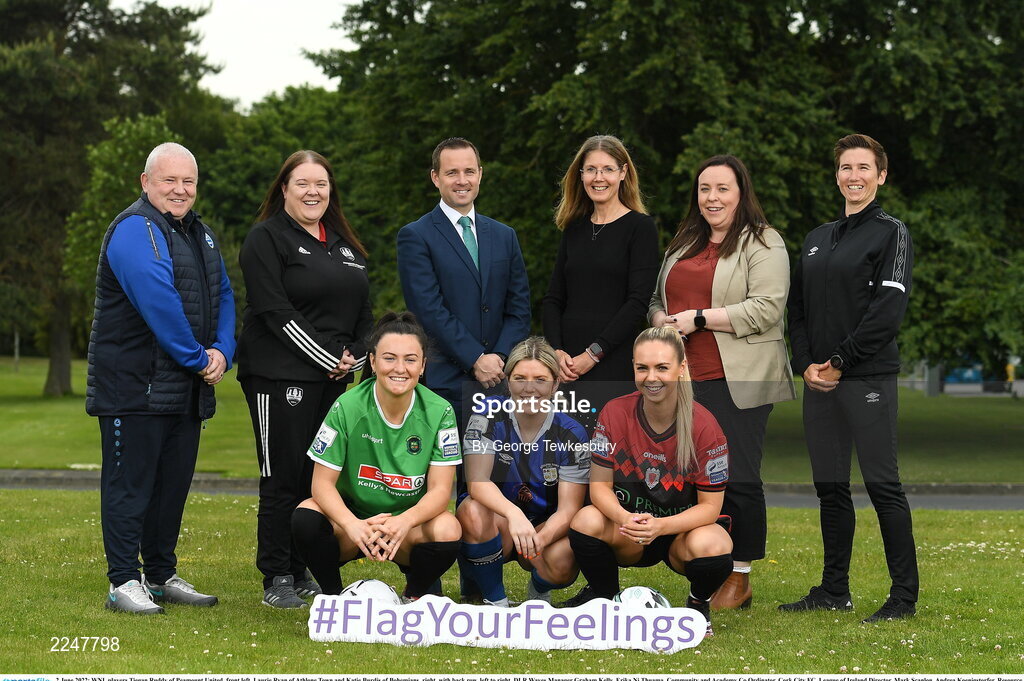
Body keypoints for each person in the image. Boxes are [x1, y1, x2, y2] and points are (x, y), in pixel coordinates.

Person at [86, 142, 236, 614]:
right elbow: (158, 301)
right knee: (131, 487)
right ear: (145, 182)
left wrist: (223, 353)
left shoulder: (201, 235)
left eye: (188, 181)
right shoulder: (135, 229)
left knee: (172, 487)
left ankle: (159, 574)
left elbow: (226, 295)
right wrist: (198, 358)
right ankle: (123, 581)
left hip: (182, 391)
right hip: (134, 388)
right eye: (168, 180)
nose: (179, 189)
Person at [782, 133, 918, 623]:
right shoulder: (816, 238)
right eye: (845, 167)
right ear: (836, 174)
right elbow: (795, 311)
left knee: (883, 486)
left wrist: (839, 362)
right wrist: (806, 365)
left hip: (868, 379)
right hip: (819, 383)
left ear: (880, 176)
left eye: (864, 167)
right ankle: (833, 589)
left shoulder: (892, 233)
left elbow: (887, 313)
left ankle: (903, 597)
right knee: (830, 487)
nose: (854, 176)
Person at [648, 155, 794, 610]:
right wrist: (661, 322)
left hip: (737, 380)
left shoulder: (763, 242)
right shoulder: (683, 242)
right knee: (693, 479)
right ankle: (706, 564)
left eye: (722, 189)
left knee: (739, 478)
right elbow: (657, 298)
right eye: (704, 189)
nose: (712, 198)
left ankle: (741, 576)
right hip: (683, 382)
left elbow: (767, 307)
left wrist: (696, 319)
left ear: (741, 192)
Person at [237, 150, 373, 609]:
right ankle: (276, 575)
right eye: (303, 183)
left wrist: (354, 359)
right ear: (284, 189)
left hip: (334, 378)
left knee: (317, 478)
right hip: (280, 377)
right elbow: (275, 311)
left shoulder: (345, 246)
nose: (313, 191)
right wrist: (328, 357)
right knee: (282, 476)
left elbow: (365, 317)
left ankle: (301, 571)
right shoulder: (266, 238)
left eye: (321, 184)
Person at [563, 327, 733, 635]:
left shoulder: (705, 426)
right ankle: (605, 600)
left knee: (716, 543)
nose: (651, 377)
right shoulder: (615, 412)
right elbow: (599, 488)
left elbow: (710, 509)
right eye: (642, 368)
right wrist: (626, 519)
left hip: (681, 534)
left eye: (662, 367)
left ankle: (697, 605)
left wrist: (661, 527)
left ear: (681, 369)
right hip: (628, 529)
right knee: (586, 519)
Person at [290, 312, 463, 600]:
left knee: (448, 527)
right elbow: (321, 485)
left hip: (406, 525)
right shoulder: (346, 406)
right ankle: (333, 598)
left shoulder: (440, 411)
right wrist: (352, 524)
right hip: (354, 523)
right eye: (389, 358)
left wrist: (404, 521)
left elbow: (441, 492)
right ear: (372, 361)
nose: (400, 368)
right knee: (306, 515)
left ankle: (414, 597)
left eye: (410, 359)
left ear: (422, 366)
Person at [397, 137, 531, 425]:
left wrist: (499, 358)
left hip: (502, 383)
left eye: (469, 171)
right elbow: (428, 310)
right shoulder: (416, 236)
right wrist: (475, 358)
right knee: (449, 471)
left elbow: (519, 307)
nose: (462, 180)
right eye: (452, 172)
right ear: (435, 178)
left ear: (480, 174)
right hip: (446, 384)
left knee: (500, 470)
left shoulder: (504, 235)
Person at [458, 337, 590, 606]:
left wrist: (537, 540)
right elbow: (477, 482)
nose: (529, 388)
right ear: (507, 380)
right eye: (520, 378)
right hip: (500, 520)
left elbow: (568, 509)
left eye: (540, 379)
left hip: (544, 524)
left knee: (564, 557)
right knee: (473, 509)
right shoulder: (487, 413)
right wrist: (513, 513)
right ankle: (496, 601)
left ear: (555, 384)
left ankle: (539, 589)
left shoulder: (572, 431)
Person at [542, 135, 660, 423]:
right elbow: (553, 299)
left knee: (608, 458)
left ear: (623, 173)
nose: (599, 177)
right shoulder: (573, 229)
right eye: (591, 169)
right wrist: (556, 353)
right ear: (580, 175)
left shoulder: (640, 228)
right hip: (566, 369)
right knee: (566, 459)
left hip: (612, 364)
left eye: (607, 169)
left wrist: (592, 354)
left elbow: (637, 303)